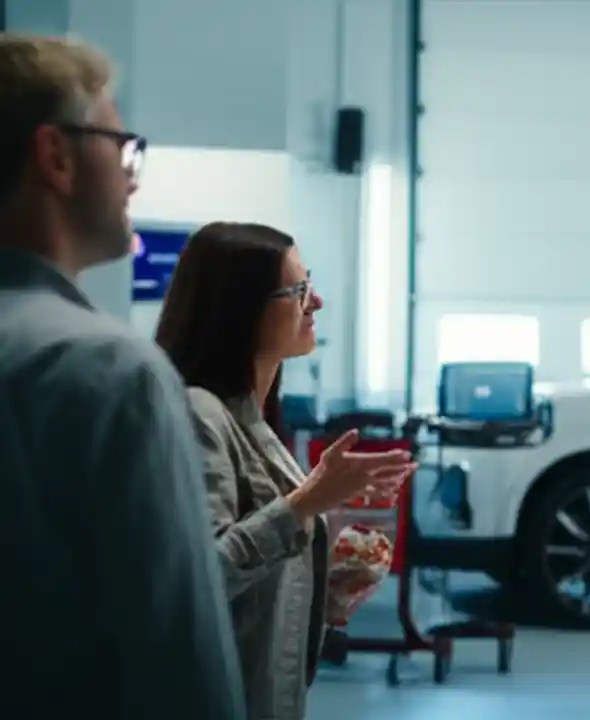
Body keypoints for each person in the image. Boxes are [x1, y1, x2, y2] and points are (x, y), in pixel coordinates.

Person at [0, 34, 246, 718]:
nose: (134, 175)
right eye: (121, 145)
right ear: (56, 155)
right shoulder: (105, 370)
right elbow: (178, 658)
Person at [154, 221, 416, 720]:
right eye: (298, 290)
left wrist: (330, 586)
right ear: (240, 308)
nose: (314, 303)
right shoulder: (200, 413)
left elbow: (259, 603)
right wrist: (306, 503)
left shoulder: (252, 420)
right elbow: (201, 577)